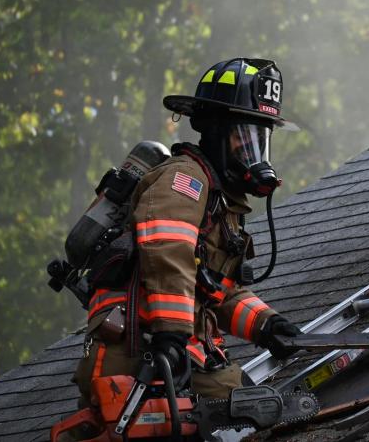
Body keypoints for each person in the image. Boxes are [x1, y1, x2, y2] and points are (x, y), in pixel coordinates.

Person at [72, 58, 303, 404]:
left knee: (252, 403)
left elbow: (218, 292)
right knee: (250, 407)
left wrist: (266, 325)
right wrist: (173, 337)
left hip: (177, 351)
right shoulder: (185, 180)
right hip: (137, 353)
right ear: (215, 130)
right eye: (244, 136)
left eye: (260, 137)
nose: (252, 151)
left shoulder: (219, 204)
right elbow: (168, 254)